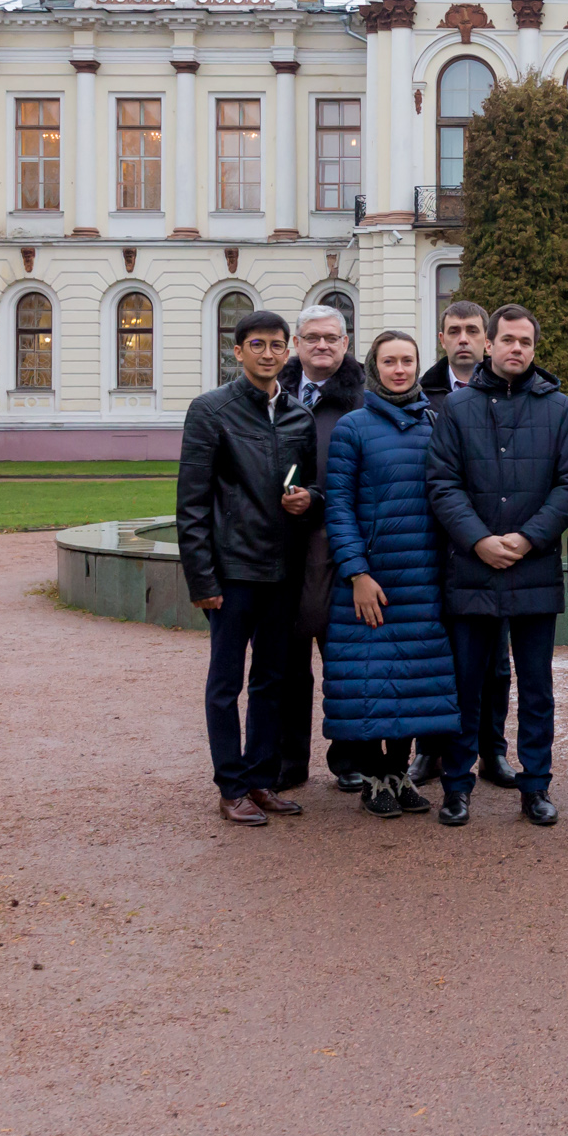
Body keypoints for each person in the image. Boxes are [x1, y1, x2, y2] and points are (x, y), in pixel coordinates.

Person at [425, 303, 568, 826]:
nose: (517, 349)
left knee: (536, 688)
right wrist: (478, 541)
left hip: (532, 566)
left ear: (534, 349)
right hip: (473, 567)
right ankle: (457, 785)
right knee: (466, 685)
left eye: (527, 342)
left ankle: (535, 786)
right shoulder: (458, 407)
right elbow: (441, 483)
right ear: (490, 345)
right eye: (509, 340)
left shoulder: (557, 407)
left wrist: (527, 537)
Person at [176, 309, 317, 827]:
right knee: (225, 683)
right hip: (232, 573)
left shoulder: (299, 416)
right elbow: (191, 503)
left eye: (277, 345)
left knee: (273, 679)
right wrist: (202, 579)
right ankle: (230, 786)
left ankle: (261, 779)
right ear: (237, 352)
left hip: (282, 570)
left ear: (289, 351)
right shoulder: (211, 411)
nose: (268, 353)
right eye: (257, 344)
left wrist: (310, 497)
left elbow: (315, 487)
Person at [321, 329, 460, 817]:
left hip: (422, 578)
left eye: (407, 361)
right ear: (374, 367)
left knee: (412, 684)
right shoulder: (353, 427)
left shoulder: (436, 424)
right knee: (367, 682)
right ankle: (373, 778)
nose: (399, 369)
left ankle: (398, 773)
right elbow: (337, 507)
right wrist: (357, 571)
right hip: (370, 582)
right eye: (389, 361)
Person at [416, 299, 518, 792]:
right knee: (435, 656)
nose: (462, 338)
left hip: (487, 550)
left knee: (495, 662)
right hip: (431, 546)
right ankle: (430, 750)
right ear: (442, 339)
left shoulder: (507, 393)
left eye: (471, 330)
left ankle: (492, 750)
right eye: (453, 330)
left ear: (487, 340)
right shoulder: (418, 394)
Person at [277, 302, 365, 793]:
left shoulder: (365, 400)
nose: (322, 345)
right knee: (287, 662)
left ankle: (348, 756)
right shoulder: (273, 394)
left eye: (332, 337)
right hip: (282, 547)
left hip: (341, 544)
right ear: (297, 344)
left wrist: (320, 499)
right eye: (312, 337)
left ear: (346, 343)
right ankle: (289, 760)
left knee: (345, 659)